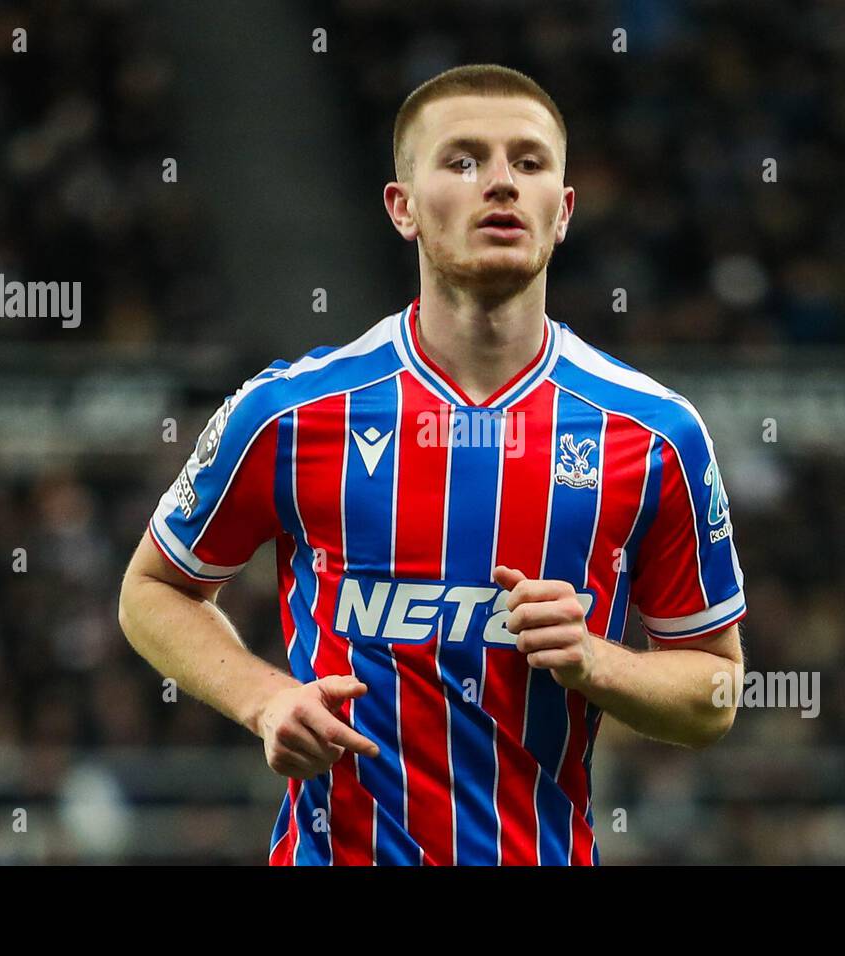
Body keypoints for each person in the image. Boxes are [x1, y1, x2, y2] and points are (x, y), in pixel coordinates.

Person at [118, 64, 746, 865]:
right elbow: (152, 588)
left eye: (528, 162)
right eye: (462, 161)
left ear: (563, 212)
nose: (500, 184)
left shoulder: (655, 433)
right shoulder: (291, 413)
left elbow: (716, 695)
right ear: (402, 207)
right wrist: (266, 699)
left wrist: (597, 661)